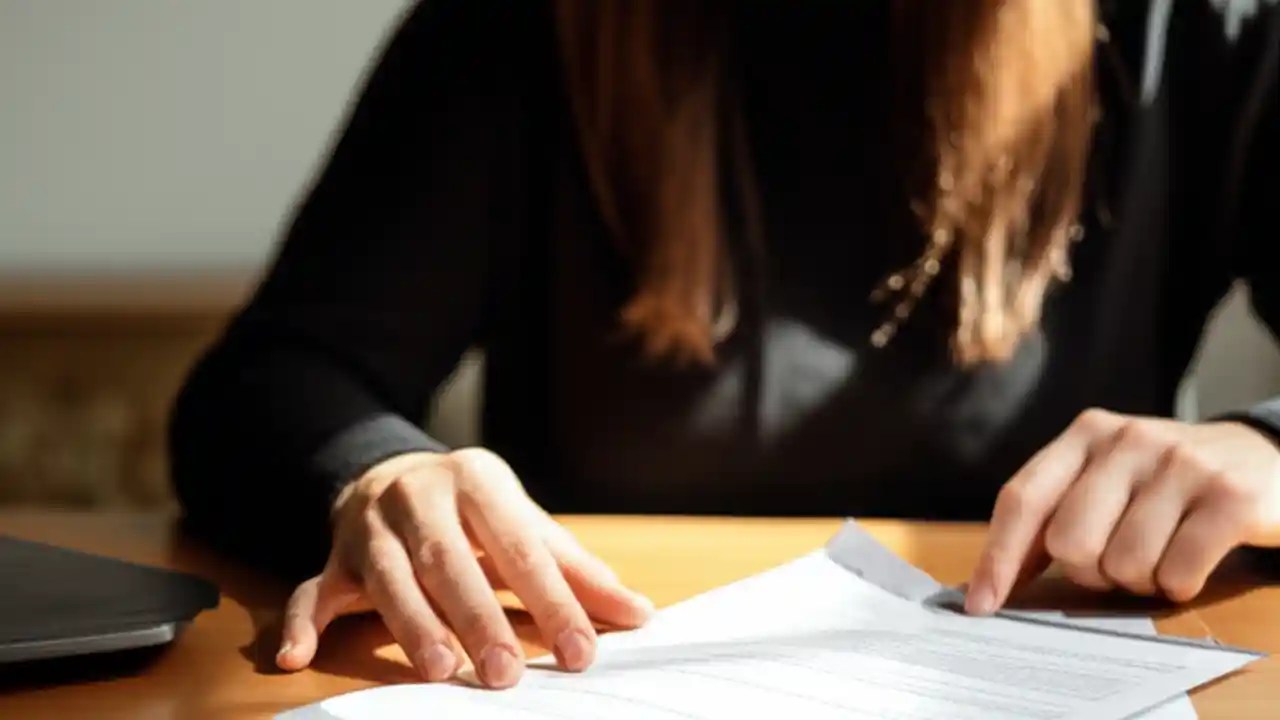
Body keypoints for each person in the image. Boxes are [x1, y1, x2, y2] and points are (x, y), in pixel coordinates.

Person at [170, 0, 1280, 690]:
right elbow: (267, 383)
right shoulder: (521, 31)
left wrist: (1265, 447)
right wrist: (375, 472)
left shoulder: (1197, 26)